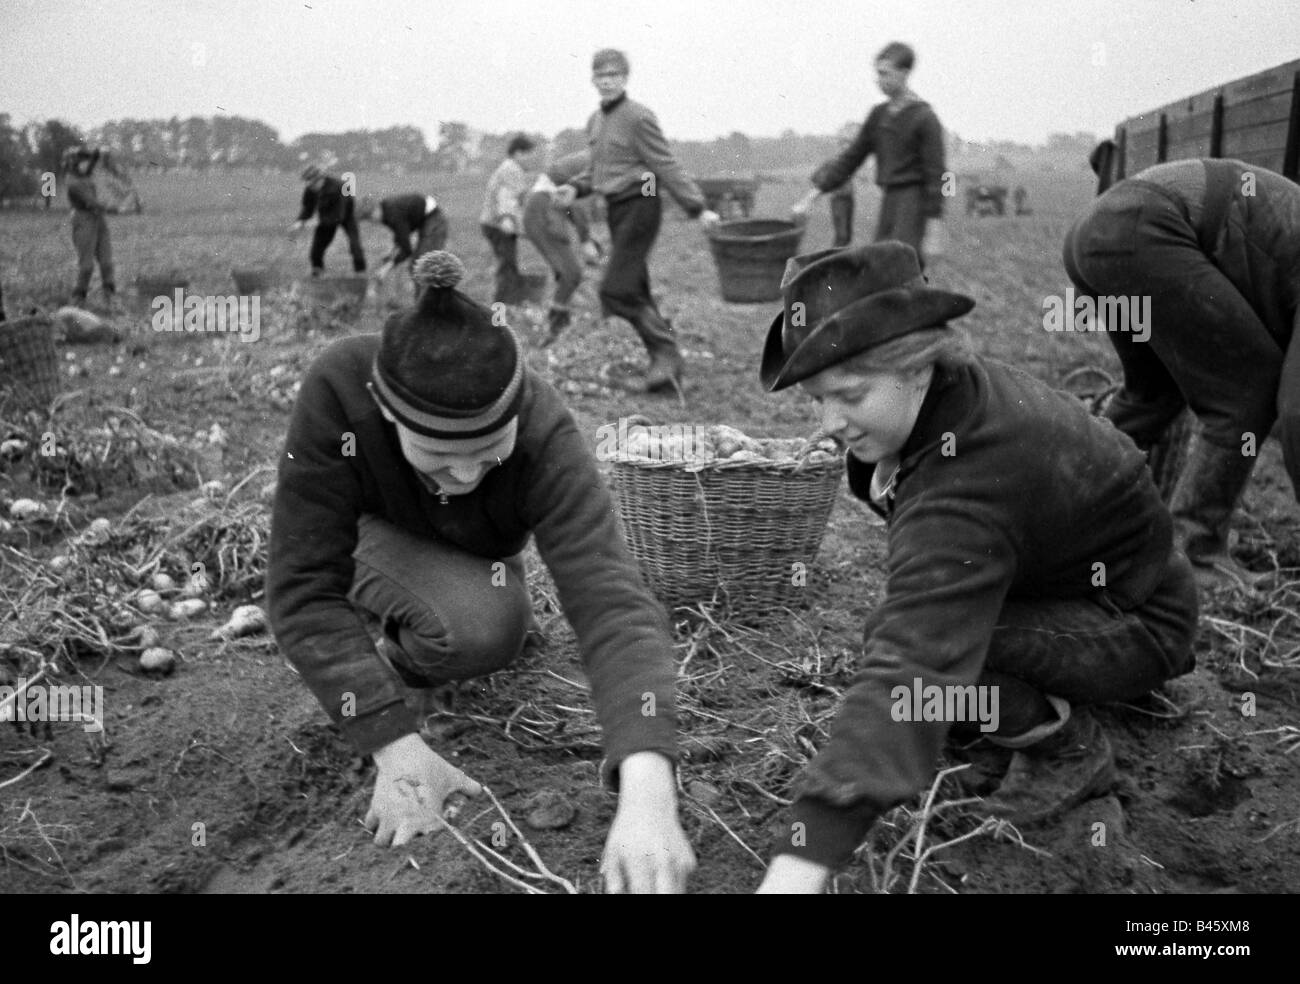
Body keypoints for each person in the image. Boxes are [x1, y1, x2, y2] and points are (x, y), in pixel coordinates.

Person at [753, 242, 1198, 892]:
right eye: (816, 399)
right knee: (921, 651)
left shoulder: (970, 474)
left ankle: (1067, 750)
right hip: (1082, 588)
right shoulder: (945, 400)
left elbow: (917, 654)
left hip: (1138, 621)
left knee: (941, 661)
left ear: (915, 363)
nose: (826, 424)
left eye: (848, 394)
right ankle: (1034, 696)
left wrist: (802, 862)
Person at [266, 249, 694, 893]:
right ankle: (388, 657)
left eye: (486, 457)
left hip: (470, 555)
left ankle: (409, 646)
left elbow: (611, 600)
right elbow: (301, 586)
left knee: (492, 626)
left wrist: (648, 781)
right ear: (389, 416)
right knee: (467, 625)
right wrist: (394, 743)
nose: (464, 476)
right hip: (364, 535)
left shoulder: (543, 431)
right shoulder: (340, 389)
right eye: (438, 458)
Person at [1065, 152, 1300, 590]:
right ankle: (1194, 550)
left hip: (1098, 233)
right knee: (1247, 391)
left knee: (1152, 395)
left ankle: (1059, 508)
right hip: (1148, 231)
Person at [554, 48, 720, 393]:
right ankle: (663, 366)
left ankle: (668, 355)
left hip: (641, 203)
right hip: (616, 208)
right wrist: (574, 187)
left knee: (615, 289)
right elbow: (598, 169)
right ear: (593, 80)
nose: (608, 82)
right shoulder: (596, 121)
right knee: (635, 286)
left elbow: (664, 164)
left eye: (614, 75)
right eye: (602, 76)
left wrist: (697, 206)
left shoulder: (639, 116)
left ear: (626, 79)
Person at [792, 42, 947, 266]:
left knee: (900, 267)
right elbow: (850, 159)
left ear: (904, 74)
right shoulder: (879, 115)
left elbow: (938, 175)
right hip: (889, 201)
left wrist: (934, 228)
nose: (879, 80)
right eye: (877, 74)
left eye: (885, 74)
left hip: (913, 203)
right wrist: (812, 196)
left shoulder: (925, 117)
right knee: (880, 266)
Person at [523, 150, 597, 345]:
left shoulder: (597, 156)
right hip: (544, 211)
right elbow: (577, 204)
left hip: (545, 209)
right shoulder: (600, 161)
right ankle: (552, 328)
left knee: (567, 273)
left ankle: (556, 324)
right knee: (571, 273)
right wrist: (585, 240)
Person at [480, 135, 537, 304]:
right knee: (507, 266)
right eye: (529, 154)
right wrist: (506, 218)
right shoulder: (512, 169)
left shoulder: (509, 168)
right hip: (499, 224)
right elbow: (506, 196)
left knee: (507, 264)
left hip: (493, 223)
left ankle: (508, 302)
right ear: (518, 153)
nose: (532, 159)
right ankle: (502, 305)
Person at [357, 192, 449, 290]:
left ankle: (432, 302)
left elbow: (407, 250)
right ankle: (425, 301)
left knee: (423, 266)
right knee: (418, 266)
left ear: (376, 210)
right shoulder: (386, 211)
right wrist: (391, 252)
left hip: (435, 221)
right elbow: (401, 234)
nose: (372, 221)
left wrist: (386, 268)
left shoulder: (392, 214)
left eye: (370, 217)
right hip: (426, 221)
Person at [63, 146, 118, 309]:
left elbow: (91, 163)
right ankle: (78, 300)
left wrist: (97, 154)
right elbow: (92, 202)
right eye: (82, 160)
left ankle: (110, 298)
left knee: (107, 262)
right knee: (86, 266)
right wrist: (113, 208)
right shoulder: (73, 182)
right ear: (73, 163)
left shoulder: (83, 174)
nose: (85, 163)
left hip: (98, 219)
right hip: (83, 219)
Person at [291, 164, 366, 277]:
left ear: (321, 179)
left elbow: (339, 215)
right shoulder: (310, 188)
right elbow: (308, 208)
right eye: (308, 183)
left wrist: (315, 222)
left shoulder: (342, 186)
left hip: (347, 215)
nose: (310, 186)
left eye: (312, 183)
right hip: (326, 216)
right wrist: (300, 221)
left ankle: (360, 274)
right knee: (316, 250)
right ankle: (317, 273)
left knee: (354, 245)